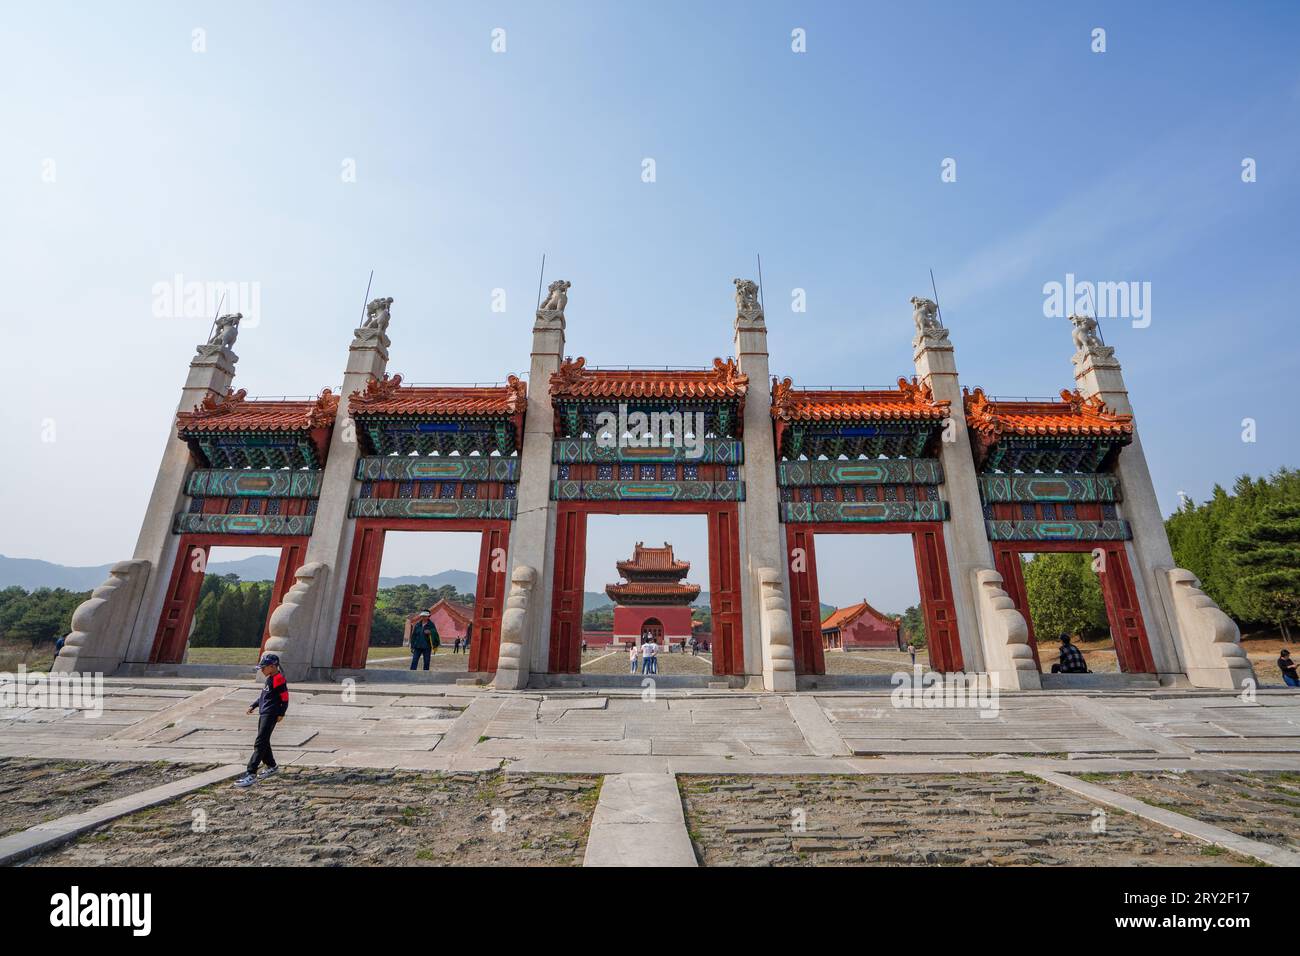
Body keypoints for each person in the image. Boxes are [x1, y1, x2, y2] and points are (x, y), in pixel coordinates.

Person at [234, 653, 289, 788]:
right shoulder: (269, 678)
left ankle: (251, 773)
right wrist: (254, 705)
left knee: (260, 743)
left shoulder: (279, 679)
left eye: (263, 667)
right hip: (264, 712)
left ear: (272, 666)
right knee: (264, 741)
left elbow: (285, 698)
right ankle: (271, 765)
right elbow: (264, 696)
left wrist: (281, 713)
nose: (262, 670)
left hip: (271, 714)